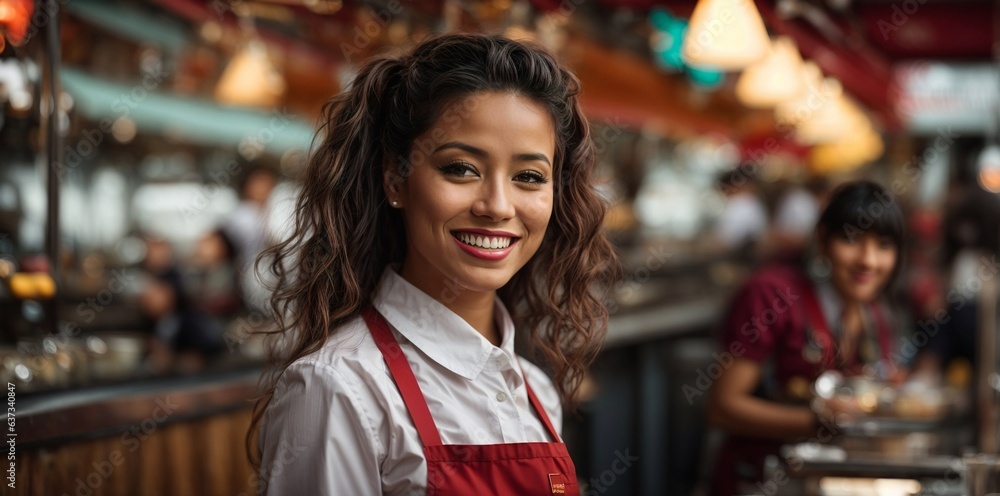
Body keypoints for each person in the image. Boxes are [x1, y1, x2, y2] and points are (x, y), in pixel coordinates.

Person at [250, 33, 620, 495]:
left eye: (528, 176)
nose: (497, 206)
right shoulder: (339, 388)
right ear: (396, 178)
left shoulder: (535, 389)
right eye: (461, 168)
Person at [706, 180, 906, 495]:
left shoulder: (876, 318)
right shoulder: (771, 295)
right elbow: (723, 407)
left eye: (883, 245)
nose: (868, 260)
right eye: (852, 240)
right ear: (823, 241)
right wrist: (818, 420)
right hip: (759, 481)